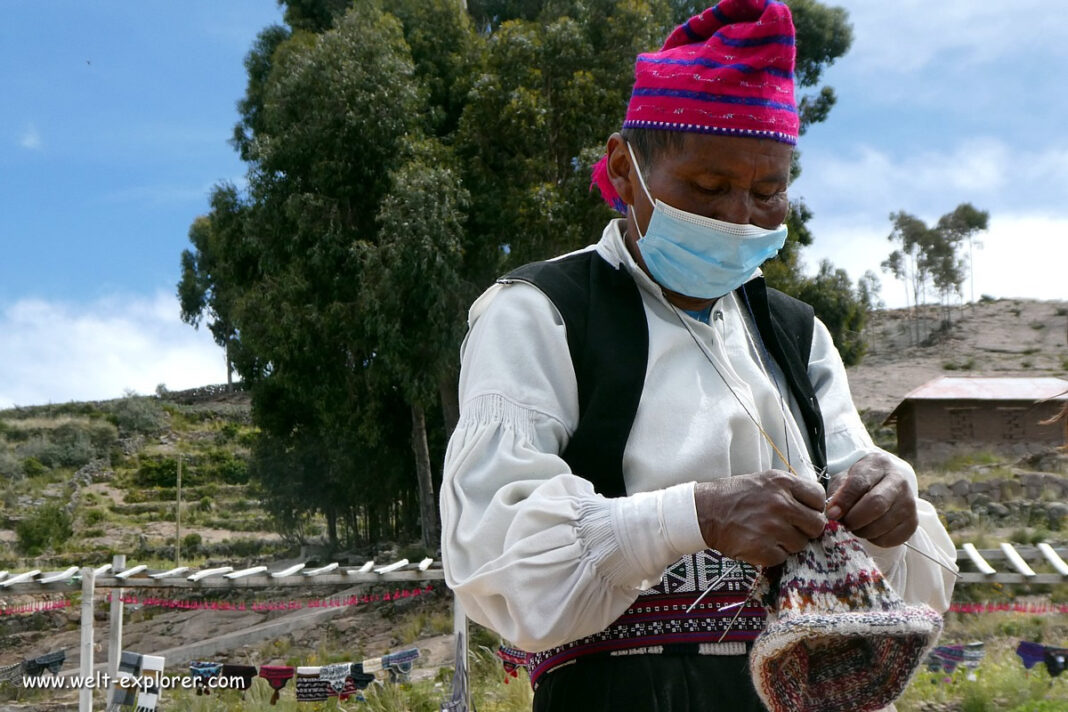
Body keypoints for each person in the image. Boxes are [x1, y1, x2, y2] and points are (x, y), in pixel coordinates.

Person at [440, 1, 957, 710]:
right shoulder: (539, 311)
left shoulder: (796, 335)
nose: (740, 219)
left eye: (768, 193)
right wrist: (695, 516)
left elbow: (907, 584)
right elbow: (496, 560)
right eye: (708, 190)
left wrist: (896, 513)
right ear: (626, 170)